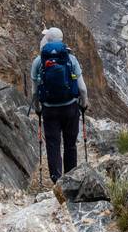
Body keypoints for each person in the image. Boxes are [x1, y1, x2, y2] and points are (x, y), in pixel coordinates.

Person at [30, 26, 88, 183]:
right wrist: (84, 104)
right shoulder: (71, 59)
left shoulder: (38, 61)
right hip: (70, 108)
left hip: (49, 110)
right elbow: (82, 88)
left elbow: (35, 92)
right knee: (70, 144)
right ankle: (71, 178)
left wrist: (38, 108)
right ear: (61, 40)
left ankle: (57, 179)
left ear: (47, 39)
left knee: (53, 145)